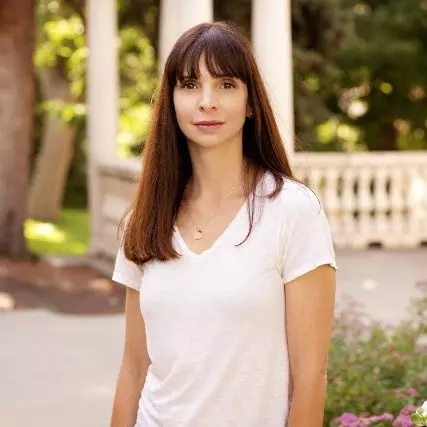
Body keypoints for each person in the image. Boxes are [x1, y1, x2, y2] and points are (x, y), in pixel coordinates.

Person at [110, 21, 337, 427]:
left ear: (251, 102)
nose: (207, 102)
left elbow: (310, 379)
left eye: (227, 85)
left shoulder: (292, 211)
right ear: (172, 101)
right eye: (190, 84)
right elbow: (132, 370)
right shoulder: (144, 220)